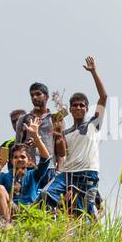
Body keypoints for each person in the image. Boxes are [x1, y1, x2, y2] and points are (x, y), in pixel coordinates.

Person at [42, 56, 107, 216]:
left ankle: (93, 232)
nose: (78, 107)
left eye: (82, 105)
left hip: (87, 173)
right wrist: (57, 134)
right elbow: (62, 153)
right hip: (67, 173)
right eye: (75, 105)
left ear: (86, 108)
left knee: (84, 211)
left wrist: (93, 72)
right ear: (70, 109)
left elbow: (103, 97)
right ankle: (44, 222)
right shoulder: (66, 132)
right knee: (46, 194)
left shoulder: (93, 124)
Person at [0, 124, 55, 222]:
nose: (19, 159)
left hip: (31, 210)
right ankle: (7, 225)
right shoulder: (4, 176)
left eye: (23, 157)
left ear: (29, 160)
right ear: (11, 161)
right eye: (15, 157)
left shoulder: (34, 174)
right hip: (12, 210)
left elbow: (45, 158)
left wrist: (36, 137)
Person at [16, 82, 66, 166]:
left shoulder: (55, 119)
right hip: (29, 170)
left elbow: (62, 150)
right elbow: (16, 148)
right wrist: (25, 145)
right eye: (32, 95)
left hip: (49, 168)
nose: (34, 97)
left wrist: (59, 170)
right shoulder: (23, 119)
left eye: (38, 94)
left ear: (46, 97)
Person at [0, 109, 26, 205]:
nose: (16, 124)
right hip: (14, 181)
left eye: (19, 120)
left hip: (34, 178)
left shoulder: (38, 140)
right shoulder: (8, 144)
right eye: (13, 122)